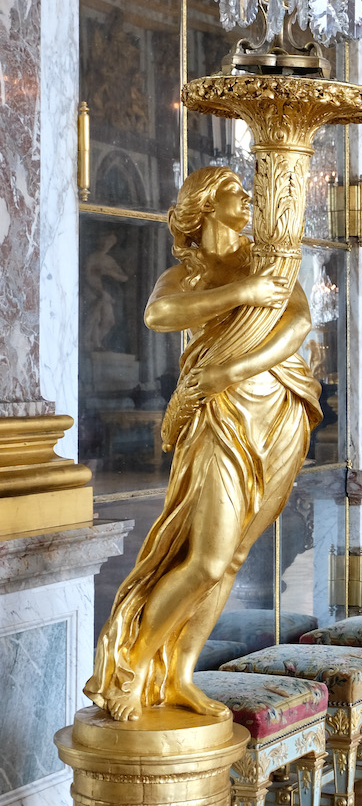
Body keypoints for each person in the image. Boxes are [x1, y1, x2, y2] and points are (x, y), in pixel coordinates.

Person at [85, 165, 320, 722]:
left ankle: (182, 676)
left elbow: (298, 324)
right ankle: (132, 668)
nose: (247, 200)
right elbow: (158, 314)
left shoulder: (271, 258)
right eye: (236, 192)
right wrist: (240, 293)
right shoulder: (190, 274)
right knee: (209, 559)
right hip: (219, 416)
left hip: (282, 409)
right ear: (206, 205)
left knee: (235, 557)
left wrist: (234, 366)